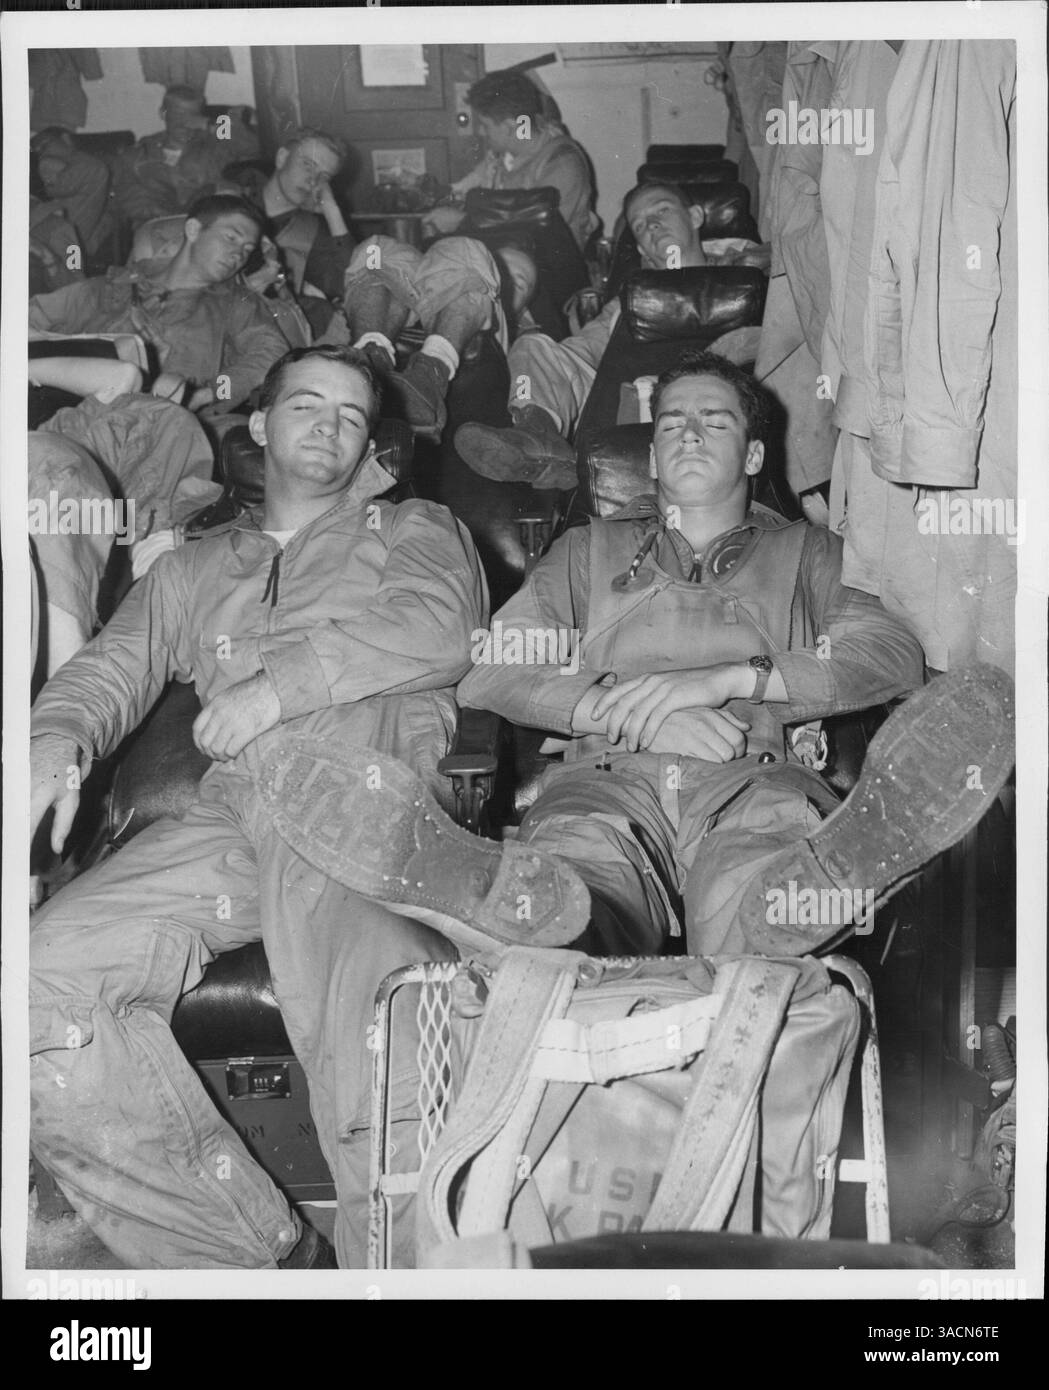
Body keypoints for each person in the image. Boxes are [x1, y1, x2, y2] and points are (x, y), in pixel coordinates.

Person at [258, 351, 1013, 965]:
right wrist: (638, 711)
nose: (687, 434)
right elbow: (495, 668)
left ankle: (812, 884)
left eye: (712, 421)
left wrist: (723, 681)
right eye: (671, 423)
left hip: (752, 774)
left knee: (753, 874)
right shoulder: (586, 550)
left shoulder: (809, 550)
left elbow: (889, 653)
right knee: (578, 876)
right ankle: (511, 900)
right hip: (605, 779)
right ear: (649, 458)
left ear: (751, 452)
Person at [28, 344, 490, 1269]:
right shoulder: (193, 569)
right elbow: (108, 670)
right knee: (32, 984)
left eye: (351, 416)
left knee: (371, 1041)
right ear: (258, 426)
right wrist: (52, 744)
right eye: (307, 404)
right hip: (232, 813)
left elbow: (440, 627)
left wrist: (274, 689)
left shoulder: (412, 527)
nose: (328, 425)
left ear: (367, 447)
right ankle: (257, 1264)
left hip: (361, 789)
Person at [455, 180, 770, 489]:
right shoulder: (626, 301)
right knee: (532, 346)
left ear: (696, 216)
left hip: (720, 396)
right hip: (634, 396)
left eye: (663, 210)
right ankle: (538, 436)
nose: (653, 225)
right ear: (641, 245)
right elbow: (583, 350)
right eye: (640, 224)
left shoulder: (752, 271)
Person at [29, 194, 287, 426]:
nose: (237, 255)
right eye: (231, 238)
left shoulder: (237, 303)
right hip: (73, 417)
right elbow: (30, 318)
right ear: (193, 229)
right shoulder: (112, 286)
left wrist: (207, 394)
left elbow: (271, 353)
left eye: (246, 250)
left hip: (166, 428)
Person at [427, 69, 598, 253]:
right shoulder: (505, 153)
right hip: (507, 254)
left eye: (485, 125)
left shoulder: (562, 164)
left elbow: (536, 231)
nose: (481, 133)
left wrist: (462, 222)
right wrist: (441, 194)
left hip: (549, 267)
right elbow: (468, 184)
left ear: (510, 127)